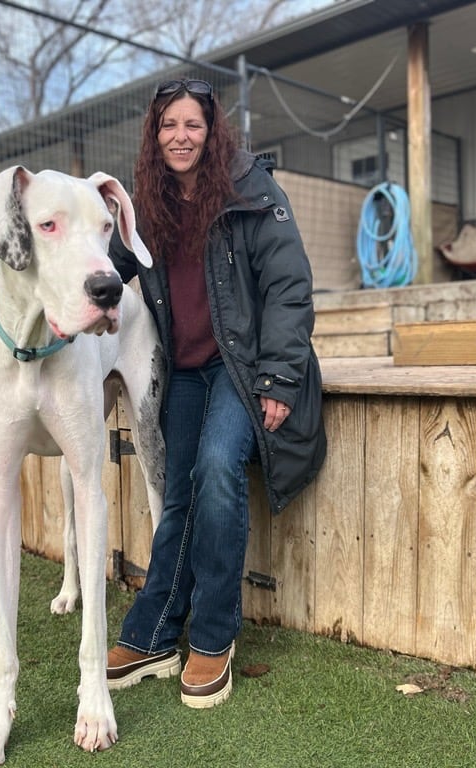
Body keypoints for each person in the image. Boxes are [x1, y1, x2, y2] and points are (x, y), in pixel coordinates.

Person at [105, 78, 327, 708]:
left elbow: (289, 286)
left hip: (244, 368)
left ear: (211, 130)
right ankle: (154, 632)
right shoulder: (145, 204)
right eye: (168, 125)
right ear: (155, 134)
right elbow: (110, 267)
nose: (180, 136)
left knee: (216, 469)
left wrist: (279, 378)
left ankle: (212, 637)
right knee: (178, 491)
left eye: (192, 125)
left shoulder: (252, 190)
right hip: (186, 372)